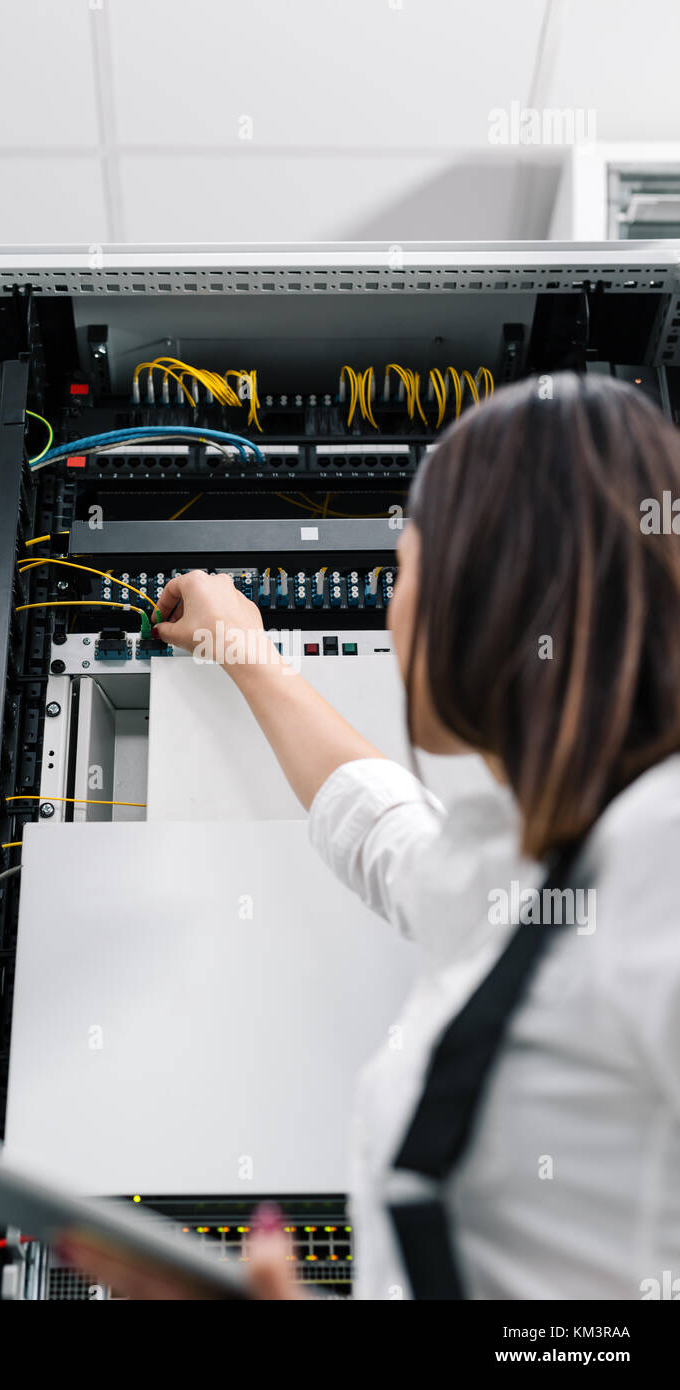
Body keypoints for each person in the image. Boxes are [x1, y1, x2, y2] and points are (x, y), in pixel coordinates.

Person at [57, 372, 680, 1300]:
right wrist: (245, 655)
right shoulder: (521, 875)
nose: (393, 608)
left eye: (408, 567)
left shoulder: (658, 854)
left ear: (495, 588)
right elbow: (383, 832)